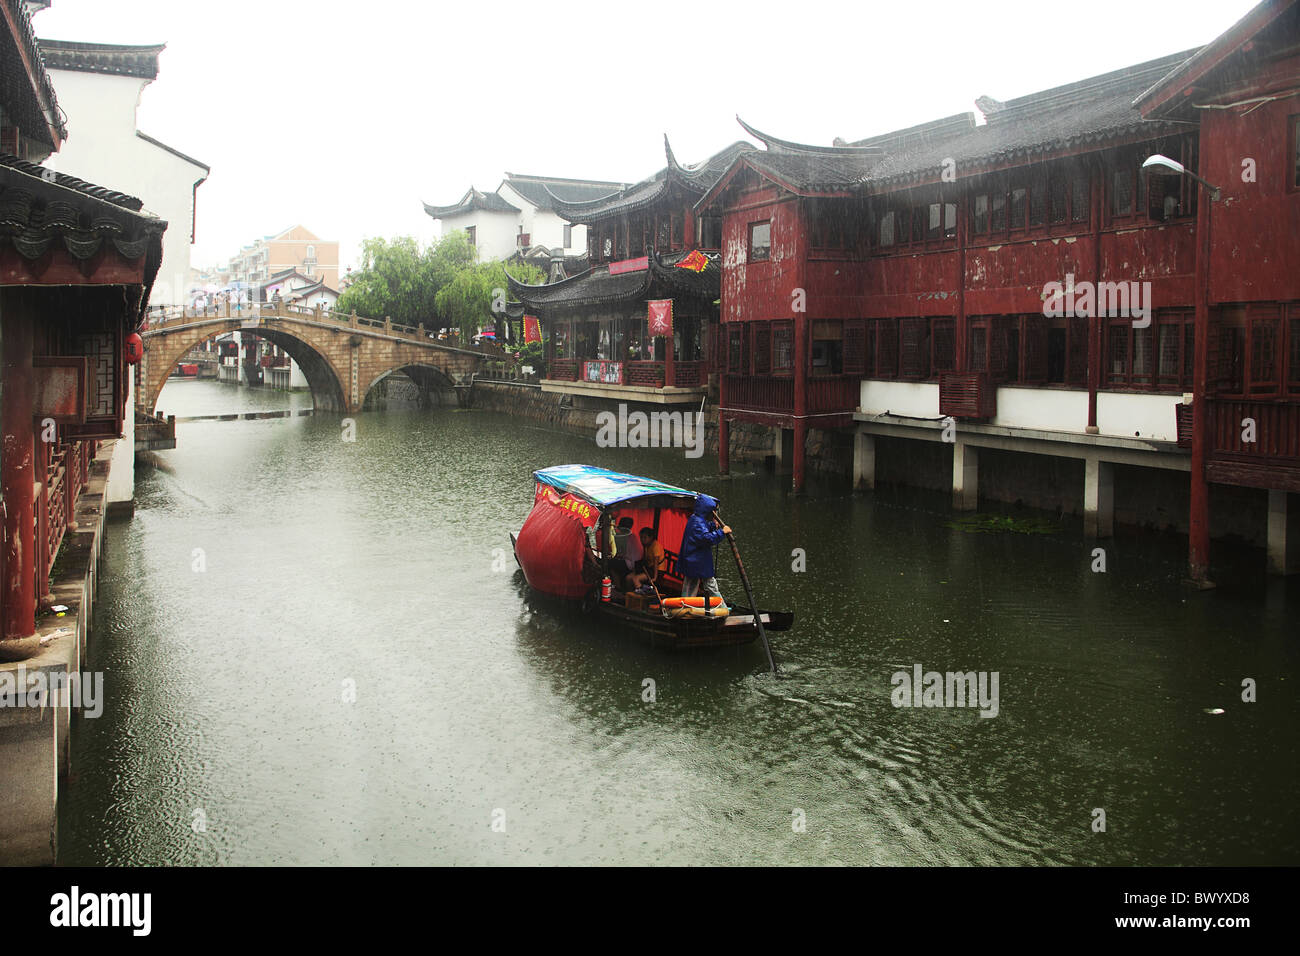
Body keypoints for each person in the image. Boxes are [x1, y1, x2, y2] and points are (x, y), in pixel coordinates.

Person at [678, 493, 729, 599]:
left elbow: (703, 531)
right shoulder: (698, 522)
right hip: (697, 561)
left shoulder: (695, 519)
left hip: (694, 560)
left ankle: (687, 604)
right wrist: (722, 532)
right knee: (709, 584)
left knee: (691, 585)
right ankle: (721, 607)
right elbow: (706, 538)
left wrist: (712, 526)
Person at [626, 527, 665, 593]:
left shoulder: (656, 546)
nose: (642, 540)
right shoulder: (646, 546)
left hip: (657, 571)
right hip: (649, 569)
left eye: (645, 538)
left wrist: (655, 578)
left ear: (651, 537)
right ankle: (628, 595)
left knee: (636, 579)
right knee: (628, 577)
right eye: (641, 537)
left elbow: (656, 563)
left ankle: (642, 595)